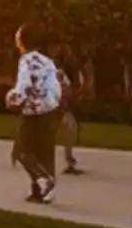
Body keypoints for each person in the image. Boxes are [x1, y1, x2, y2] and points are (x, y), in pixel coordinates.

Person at [5, 23, 62, 204]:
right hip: (50, 111)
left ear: (22, 41)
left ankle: (44, 181)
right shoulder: (48, 61)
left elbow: (23, 86)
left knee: (24, 151)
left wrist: (12, 99)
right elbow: (56, 86)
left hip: (32, 112)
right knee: (44, 152)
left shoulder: (27, 60)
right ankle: (40, 191)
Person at [53, 43, 84, 175]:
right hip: (61, 103)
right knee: (69, 129)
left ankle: (69, 158)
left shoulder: (63, 68)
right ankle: (68, 159)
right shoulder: (60, 68)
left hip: (63, 103)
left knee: (68, 129)